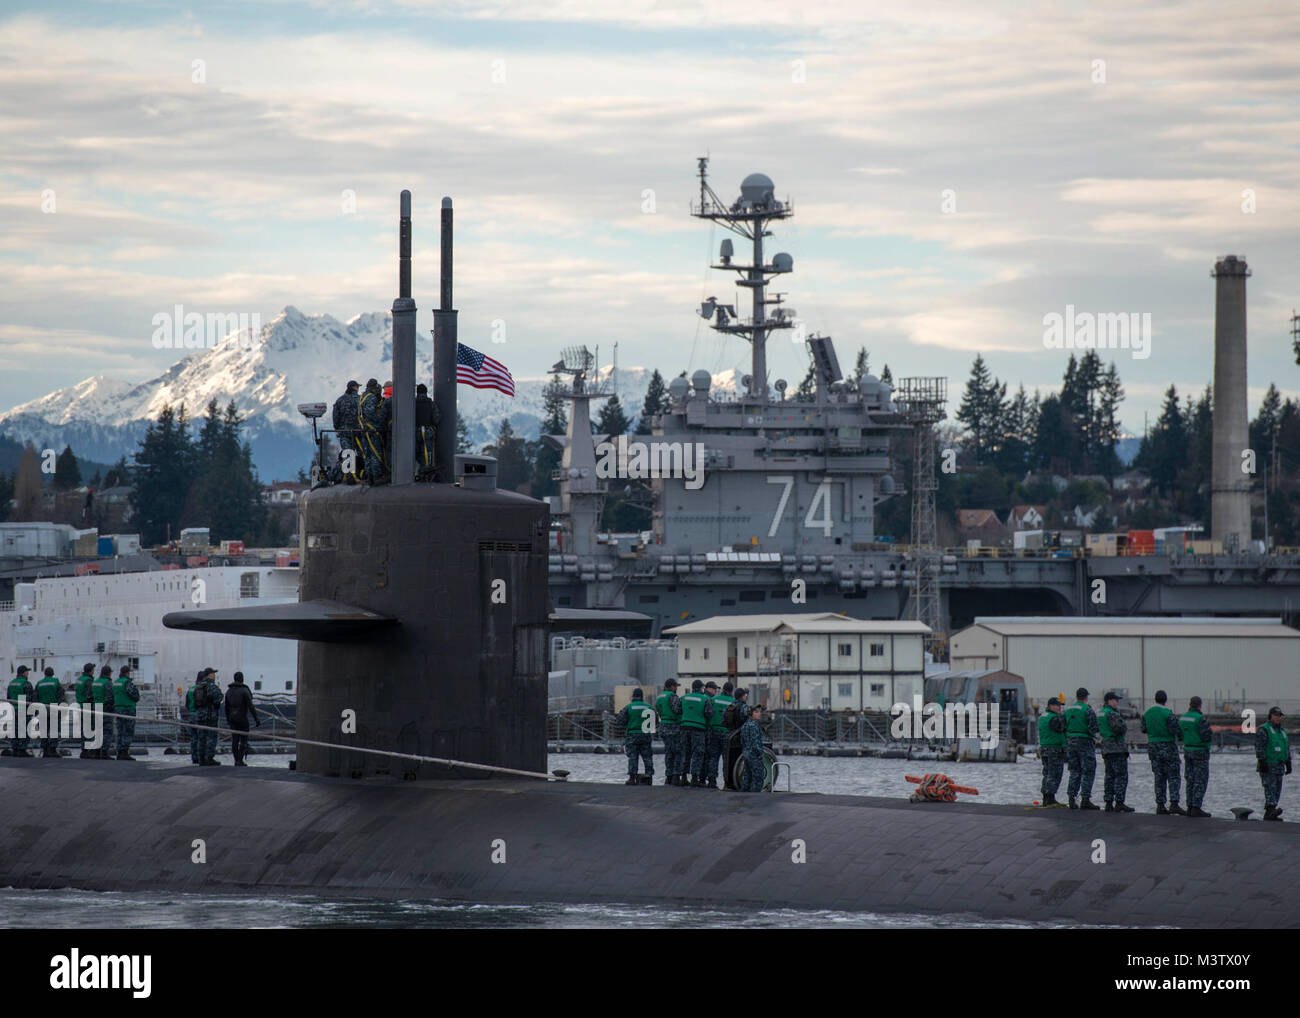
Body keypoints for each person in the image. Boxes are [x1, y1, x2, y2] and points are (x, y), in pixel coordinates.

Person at [1141, 689, 1184, 815]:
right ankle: (1174, 803)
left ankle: (1160, 805)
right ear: (1165, 700)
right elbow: (1174, 729)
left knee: (1159, 776)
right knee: (1173, 775)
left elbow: (1143, 729)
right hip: (1168, 746)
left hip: (1153, 746)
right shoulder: (1167, 712)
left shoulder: (1146, 713)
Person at [1064, 687, 1100, 810]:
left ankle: (1071, 798)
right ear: (1086, 697)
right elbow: (1093, 727)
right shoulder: (1087, 709)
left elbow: (1063, 725)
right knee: (1088, 770)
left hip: (1070, 741)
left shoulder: (1068, 709)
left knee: (1074, 770)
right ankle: (1085, 799)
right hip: (1085, 742)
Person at [1098, 691, 1133, 812]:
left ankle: (1108, 802)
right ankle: (1119, 802)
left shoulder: (1101, 713)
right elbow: (1118, 728)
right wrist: (1124, 725)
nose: (1117, 702)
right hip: (1117, 747)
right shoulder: (1112, 713)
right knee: (1121, 775)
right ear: (1109, 701)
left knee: (1109, 775)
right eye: (1115, 700)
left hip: (1106, 747)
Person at [1179, 695, 1213, 817]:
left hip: (1187, 750)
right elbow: (1207, 736)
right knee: (1200, 779)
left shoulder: (1182, 718)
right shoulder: (1200, 718)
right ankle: (1196, 807)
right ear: (1200, 705)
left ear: (1190, 704)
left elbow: (1179, 735)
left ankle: (1189, 806)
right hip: (1200, 751)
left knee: (1190, 779)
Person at [1256, 706, 1291, 821]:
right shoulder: (1264, 729)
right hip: (1268, 764)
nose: (1278, 718)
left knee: (1277, 790)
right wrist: (1262, 761)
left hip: (1279, 765)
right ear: (1270, 716)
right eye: (1276, 715)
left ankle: (1271, 812)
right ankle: (1270, 810)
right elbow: (1259, 746)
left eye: (1279, 716)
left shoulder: (1282, 732)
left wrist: (1288, 762)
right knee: (1270, 788)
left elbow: (1286, 748)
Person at [615, 688, 656, 784]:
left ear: (633, 696)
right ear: (642, 696)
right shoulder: (649, 707)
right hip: (645, 735)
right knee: (647, 757)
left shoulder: (629, 707)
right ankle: (649, 776)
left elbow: (619, 721)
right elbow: (655, 721)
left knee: (633, 757)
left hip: (632, 735)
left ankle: (632, 778)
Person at [679, 679, 714, 787]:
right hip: (698, 729)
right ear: (701, 688)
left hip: (684, 728)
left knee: (686, 752)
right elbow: (709, 713)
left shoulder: (683, 697)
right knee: (697, 753)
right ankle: (694, 778)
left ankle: (683, 777)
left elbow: (677, 710)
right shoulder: (705, 699)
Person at [223, 671, 260, 766]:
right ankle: (240, 759)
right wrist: (256, 719)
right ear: (242, 679)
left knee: (234, 740)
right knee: (243, 739)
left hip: (232, 719)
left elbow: (226, 707)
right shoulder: (244, 691)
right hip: (242, 719)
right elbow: (250, 706)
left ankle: (236, 760)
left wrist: (228, 719)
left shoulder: (229, 691)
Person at [359, 379, 390, 483]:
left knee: (367, 454)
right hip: (372, 430)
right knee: (376, 453)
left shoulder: (362, 396)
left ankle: (369, 476)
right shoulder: (371, 398)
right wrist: (380, 420)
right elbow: (371, 413)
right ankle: (377, 476)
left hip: (365, 430)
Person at [703, 680, 733, 790]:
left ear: (723, 690)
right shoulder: (733, 702)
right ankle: (727, 782)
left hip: (713, 731)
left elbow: (708, 713)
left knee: (713, 757)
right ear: (731, 691)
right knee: (727, 759)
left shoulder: (713, 699)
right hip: (727, 734)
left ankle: (711, 781)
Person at [332, 380, 363, 482]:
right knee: (362, 453)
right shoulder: (360, 399)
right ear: (355, 388)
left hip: (345, 432)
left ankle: (348, 476)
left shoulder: (340, 400)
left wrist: (338, 429)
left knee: (347, 453)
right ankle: (363, 473)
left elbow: (336, 417)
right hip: (359, 432)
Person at [1038, 697, 1067, 806]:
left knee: (1047, 773)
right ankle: (1050, 798)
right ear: (1050, 706)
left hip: (1045, 748)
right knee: (1054, 774)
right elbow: (1061, 727)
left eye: (1060, 705)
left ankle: (1046, 797)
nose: (1059, 708)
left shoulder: (1043, 716)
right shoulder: (1054, 718)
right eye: (1057, 705)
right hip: (1054, 749)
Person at [654, 678, 684, 785]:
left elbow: (657, 711)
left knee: (668, 752)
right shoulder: (672, 696)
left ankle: (668, 776)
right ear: (671, 686)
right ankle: (676, 776)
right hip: (673, 727)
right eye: (675, 686)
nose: (676, 688)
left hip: (663, 727)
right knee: (677, 752)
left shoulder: (659, 697)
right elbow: (677, 710)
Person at [193, 668, 224, 765]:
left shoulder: (198, 687)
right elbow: (219, 697)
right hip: (210, 715)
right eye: (213, 674)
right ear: (209, 675)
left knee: (201, 737)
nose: (214, 675)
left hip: (199, 715)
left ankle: (201, 758)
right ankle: (209, 758)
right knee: (211, 737)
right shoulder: (211, 686)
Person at [35, 666, 65, 758]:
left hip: (42, 709)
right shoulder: (56, 682)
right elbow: (61, 696)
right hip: (53, 709)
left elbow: (35, 697)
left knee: (44, 730)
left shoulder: (39, 683)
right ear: (53, 673)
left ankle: (45, 750)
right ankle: (52, 750)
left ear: (45, 674)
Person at [112, 666, 140, 760]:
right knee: (128, 731)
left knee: (120, 731)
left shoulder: (115, 682)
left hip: (118, 709)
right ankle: (124, 752)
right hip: (128, 709)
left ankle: (119, 752)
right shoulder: (127, 682)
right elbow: (134, 695)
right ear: (127, 673)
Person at [7, 665, 35, 757]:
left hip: (13, 709)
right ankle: (22, 749)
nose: (28, 673)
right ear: (23, 673)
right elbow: (29, 698)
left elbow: (9, 698)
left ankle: (15, 748)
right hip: (23, 709)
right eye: (27, 672)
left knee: (15, 730)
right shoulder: (26, 683)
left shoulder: (11, 683)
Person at [415, 383, 440, 478]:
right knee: (427, 452)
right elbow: (436, 418)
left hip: (415, 432)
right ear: (426, 392)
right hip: (428, 431)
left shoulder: (413, 403)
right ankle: (425, 472)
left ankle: (419, 470)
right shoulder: (431, 403)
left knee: (416, 451)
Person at [740, 706, 766, 792]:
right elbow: (755, 743)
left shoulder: (744, 725)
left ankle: (743, 797)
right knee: (758, 779)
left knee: (747, 777)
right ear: (752, 713)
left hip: (746, 754)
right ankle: (755, 799)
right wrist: (760, 754)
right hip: (754, 755)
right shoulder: (754, 725)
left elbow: (742, 741)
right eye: (757, 712)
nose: (760, 714)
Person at [73, 663, 96, 758]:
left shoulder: (79, 680)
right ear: (91, 671)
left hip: (80, 705)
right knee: (89, 729)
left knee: (83, 729)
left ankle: (83, 750)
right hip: (87, 707)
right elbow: (89, 695)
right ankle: (88, 750)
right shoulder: (88, 681)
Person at [92, 666, 114, 759]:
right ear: (109, 673)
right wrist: (111, 708)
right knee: (107, 731)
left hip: (95, 708)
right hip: (104, 709)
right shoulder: (107, 682)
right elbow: (110, 697)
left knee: (97, 731)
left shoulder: (95, 682)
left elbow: (90, 695)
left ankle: (96, 752)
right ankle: (104, 752)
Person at [184, 671, 203, 764]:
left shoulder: (190, 689)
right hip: (199, 715)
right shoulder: (201, 689)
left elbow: (186, 704)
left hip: (191, 715)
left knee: (193, 737)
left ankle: (194, 757)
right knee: (201, 737)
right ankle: (201, 757)